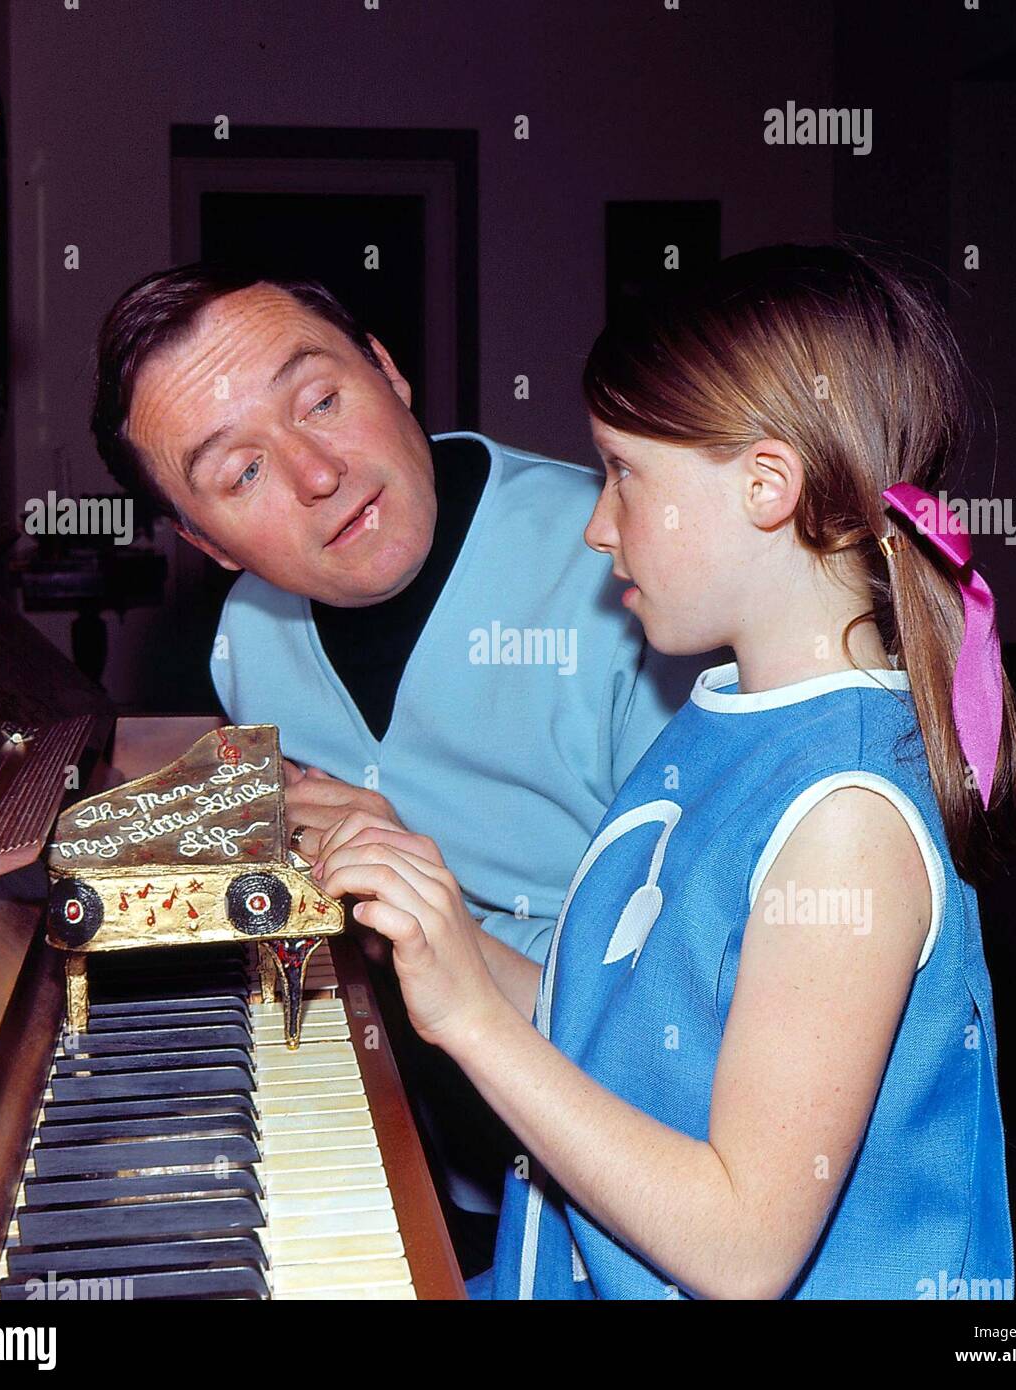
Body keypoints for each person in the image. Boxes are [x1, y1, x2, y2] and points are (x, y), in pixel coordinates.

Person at [315, 243, 1016, 1298]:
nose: (597, 527)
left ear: (765, 486)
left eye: (622, 473)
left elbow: (740, 1249)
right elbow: (623, 1014)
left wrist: (465, 1020)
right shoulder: (725, 711)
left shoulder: (845, 816)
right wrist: (440, 928)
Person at [89, 264, 707, 1234]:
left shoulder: (638, 579)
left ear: (387, 368)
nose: (317, 474)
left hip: (650, 1167)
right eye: (240, 472)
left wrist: (425, 896)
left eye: (321, 400)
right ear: (204, 542)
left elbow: (710, 1032)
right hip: (447, 1167)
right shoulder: (244, 639)